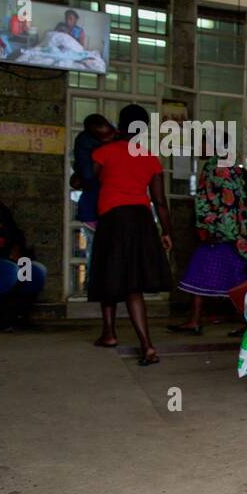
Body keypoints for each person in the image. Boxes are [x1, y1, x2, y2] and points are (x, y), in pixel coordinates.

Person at [87, 103, 174, 364]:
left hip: (113, 218)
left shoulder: (103, 153)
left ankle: (111, 333)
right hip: (141, 220)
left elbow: (91, 180)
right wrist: (166, 231)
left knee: (108, 274)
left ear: (119, 124)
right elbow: (159, 201)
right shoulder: (150, 158)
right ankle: (144, 344)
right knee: (133, 284)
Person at [169, 160, 247, 333]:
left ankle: (195, 321)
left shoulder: (211, 167)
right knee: (241, 277)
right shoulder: (239, 169)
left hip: (217, 232)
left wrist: (207, 227)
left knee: (198, 273)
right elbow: (246, 199)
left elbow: (204, 198)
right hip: (240, 232)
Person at [0, 168, 47, 328]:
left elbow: (16, 234)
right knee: (10, 271)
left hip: (6, 255)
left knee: (34, 270)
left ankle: (20, 314)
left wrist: (17, 249)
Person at [71, 113, 115, 230]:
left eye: (110, 133)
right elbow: (87, 174)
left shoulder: (113, 136)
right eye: (105, 136)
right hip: (93, 186)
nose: (110, 138)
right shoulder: (85, 142)